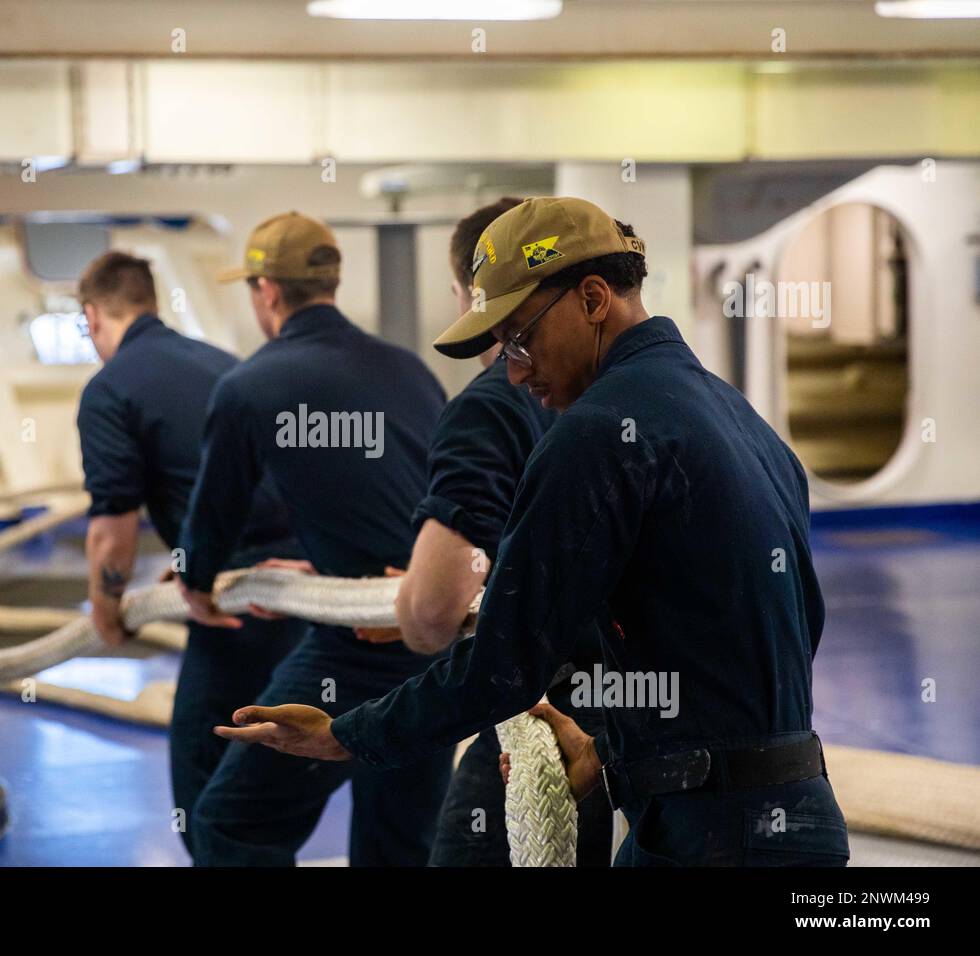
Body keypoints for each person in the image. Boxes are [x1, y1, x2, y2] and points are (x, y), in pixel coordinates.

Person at [215, 197, 850, 867]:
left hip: (710, 836)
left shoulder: (597, 433)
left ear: (594, 298)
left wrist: (343, 735)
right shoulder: (741, 419)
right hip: (786, 816)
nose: (515, 370)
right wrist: (613, 747)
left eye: (520, 337)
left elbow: (506, 664)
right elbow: (781, 629)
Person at [175, 211, 453, 866]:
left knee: (231, 825)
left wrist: (195, 582)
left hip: (358, 648)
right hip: (437, 637)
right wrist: (315, 567)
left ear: (267, 291)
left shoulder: (247, 387)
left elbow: (210, 522)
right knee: (400, 841)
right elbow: (420, 498)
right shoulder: (409, 370)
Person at [356, 197, 611, 867]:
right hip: (640, 733)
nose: (520, 367)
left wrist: (416, 604)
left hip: (547, 713)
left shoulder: (492, 407)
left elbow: (436, 613)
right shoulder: (692, 409)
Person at [74, 250, 304, 860]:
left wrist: (107, 607)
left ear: (93, 317)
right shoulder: (222, 362)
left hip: (234, 598)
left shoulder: (108, 390)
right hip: (308, 581)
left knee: (205, 786)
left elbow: (112, 529)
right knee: (278, 767)